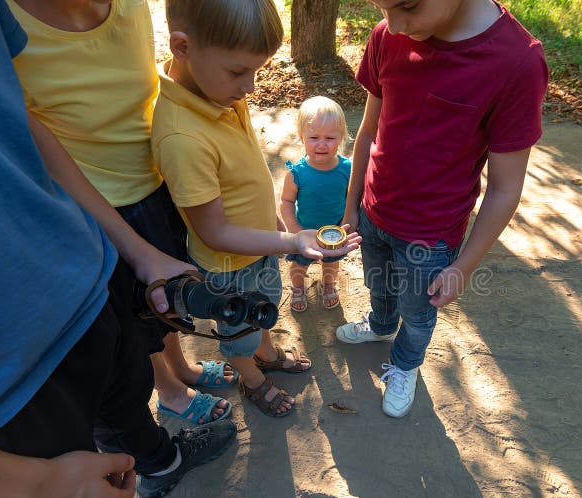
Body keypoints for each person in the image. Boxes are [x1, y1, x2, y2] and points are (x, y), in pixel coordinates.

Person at [0, 1, 236, 498]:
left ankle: (163, 462)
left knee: (127, 410)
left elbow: (10, 112)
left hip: (82, 284)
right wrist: (26, 487)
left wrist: (134, 249)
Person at [5, 0, 236, 427]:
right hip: (95, 204)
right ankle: (168, 390)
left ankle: (182, 368)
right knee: (137, 320)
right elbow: (31, 138)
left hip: (154, 177)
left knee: (167, 298)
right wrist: (133, 248)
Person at [337, 0, 549, 417]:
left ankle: (404, 364)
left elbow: (505, 189)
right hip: (373, 213)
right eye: (381, 8)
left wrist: (463, 266)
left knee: (417, 314)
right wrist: (352, 206)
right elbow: (367, 132)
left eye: (407, 7)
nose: (393, 25)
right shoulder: (388, 35)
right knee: (378, 286)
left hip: (430, 240)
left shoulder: (516, 63)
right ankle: (380, 324)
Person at [152, 0, 360, 418]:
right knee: (238, 329)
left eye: (256, 71)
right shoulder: (181, 136)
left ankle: (264, 353)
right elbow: (214, 232)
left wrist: (276, 240)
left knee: (262, 308)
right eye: (238, 71)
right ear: (183, 47)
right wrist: (292, 238)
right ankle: (253, 378)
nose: (250, 86)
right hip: (228, 264)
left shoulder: (220, 94)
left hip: (260, 247)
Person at [280, 96, 352, 312]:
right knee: (299, 264)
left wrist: (349, 221)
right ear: (302, 137)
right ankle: (298, 288)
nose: (322, 144)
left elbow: (352, 197)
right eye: (314, 137)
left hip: (334, 233)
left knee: (331, 263)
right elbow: (286, 201)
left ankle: (328, 285)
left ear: (341, 137)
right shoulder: (297, 172)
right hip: (305, 230)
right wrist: (295, 229)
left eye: (330, 137)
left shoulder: (348, 169)